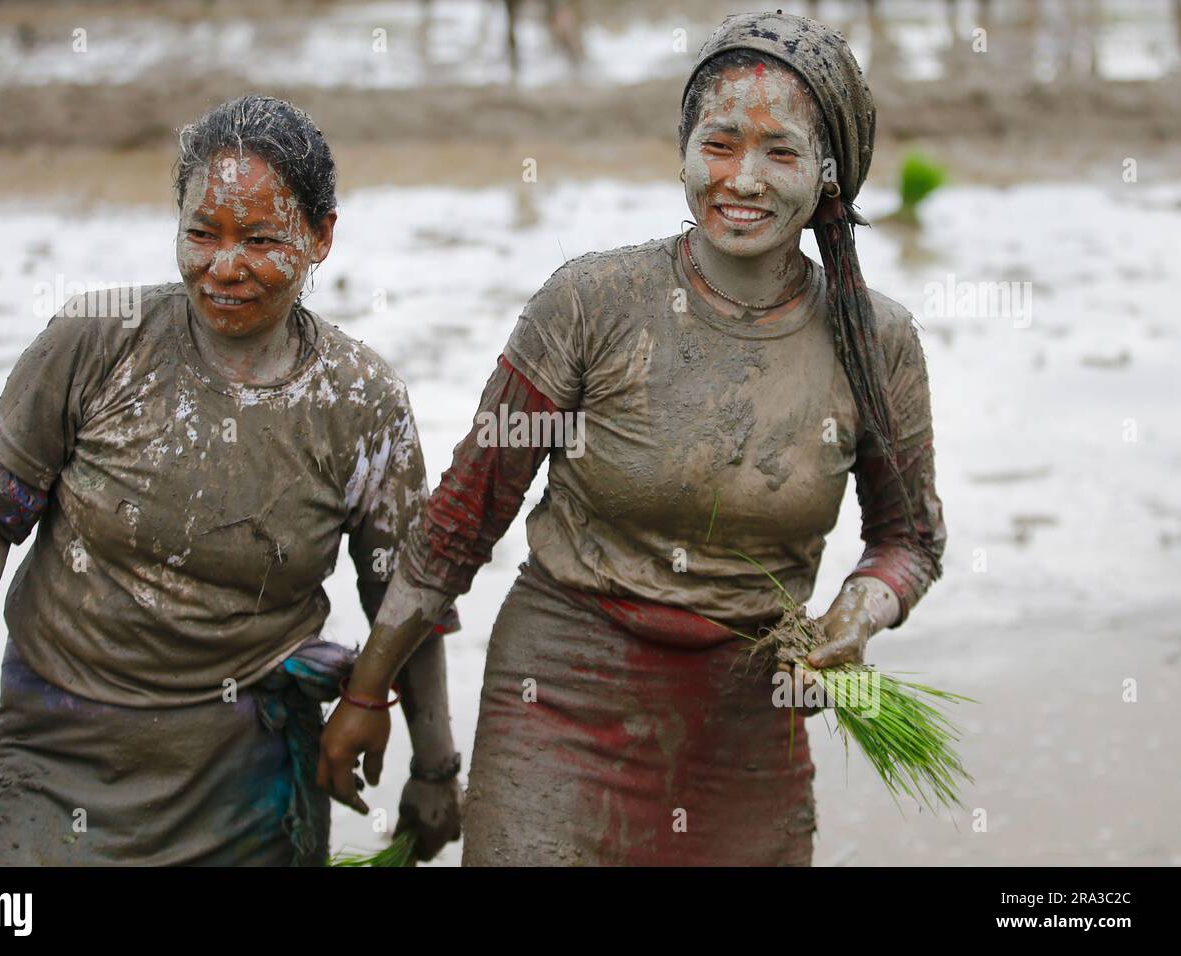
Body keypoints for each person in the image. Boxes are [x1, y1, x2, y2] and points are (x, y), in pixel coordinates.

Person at [317, 12, 948, 866]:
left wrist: (857, 613)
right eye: (719, 144)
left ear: (830, 176)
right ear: (683, 150)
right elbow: (459, 524)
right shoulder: (590, 303)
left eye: (782, 153)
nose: (744, 179)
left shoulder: (876, 341)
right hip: (562, 700)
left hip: (746, 718)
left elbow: (908, 541)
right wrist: (367, 693)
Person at [0, 94, 462, 865]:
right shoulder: (97, 338)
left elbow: (406, 594)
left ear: (321, 237)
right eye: (202, 233)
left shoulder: (359, 400)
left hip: (245, 769)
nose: (224, 266)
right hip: (58, 742)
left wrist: (434, 765)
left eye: (260, 238)